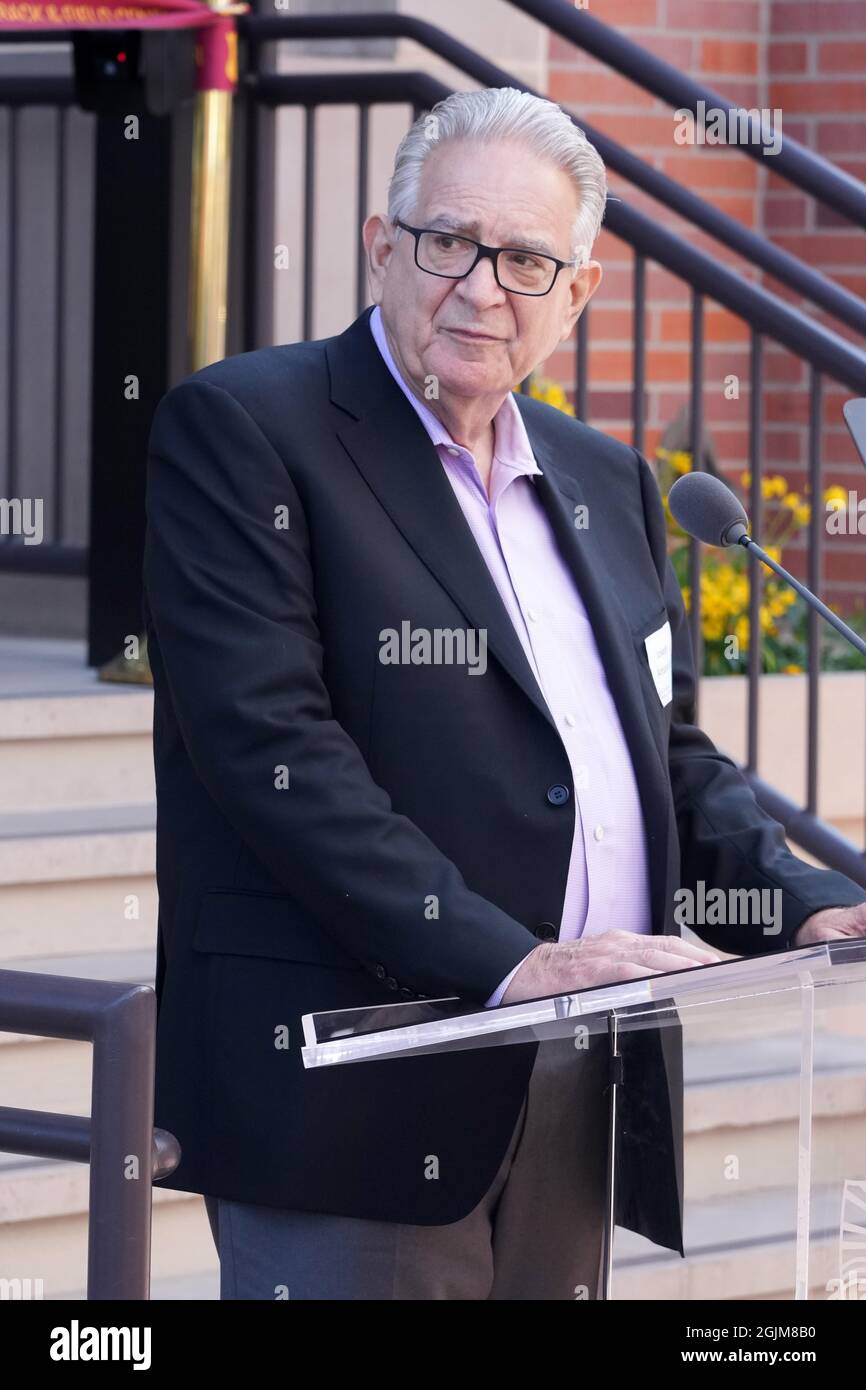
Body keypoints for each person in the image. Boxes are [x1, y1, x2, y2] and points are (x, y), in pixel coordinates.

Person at [142, 87, 866, 1300]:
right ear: (382, 247)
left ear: (575, 293)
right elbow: (269, 746)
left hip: (579, 1074)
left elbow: (662, 756)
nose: (482, 286)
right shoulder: (245, 430)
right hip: (355, 1084)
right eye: (448, 243)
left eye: (526, 258)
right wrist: (509, 958)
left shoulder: (607, 479)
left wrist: (797, 900)